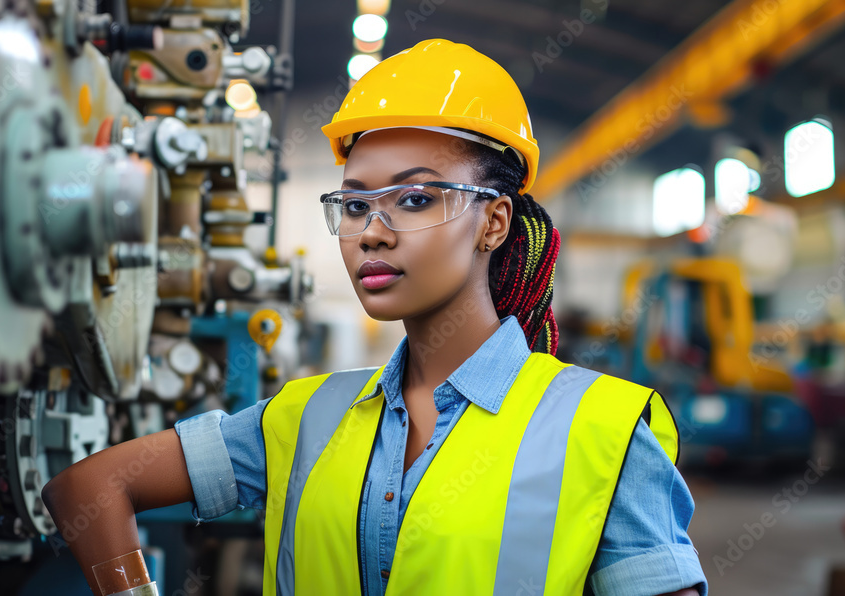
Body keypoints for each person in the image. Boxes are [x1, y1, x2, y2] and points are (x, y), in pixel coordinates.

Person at [42, 38, 708, 596]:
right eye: (355, 205)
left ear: (495, 222)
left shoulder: (603, 433)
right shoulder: (303, 420)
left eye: (415, 199)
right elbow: (88, 489)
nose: (372, 232)